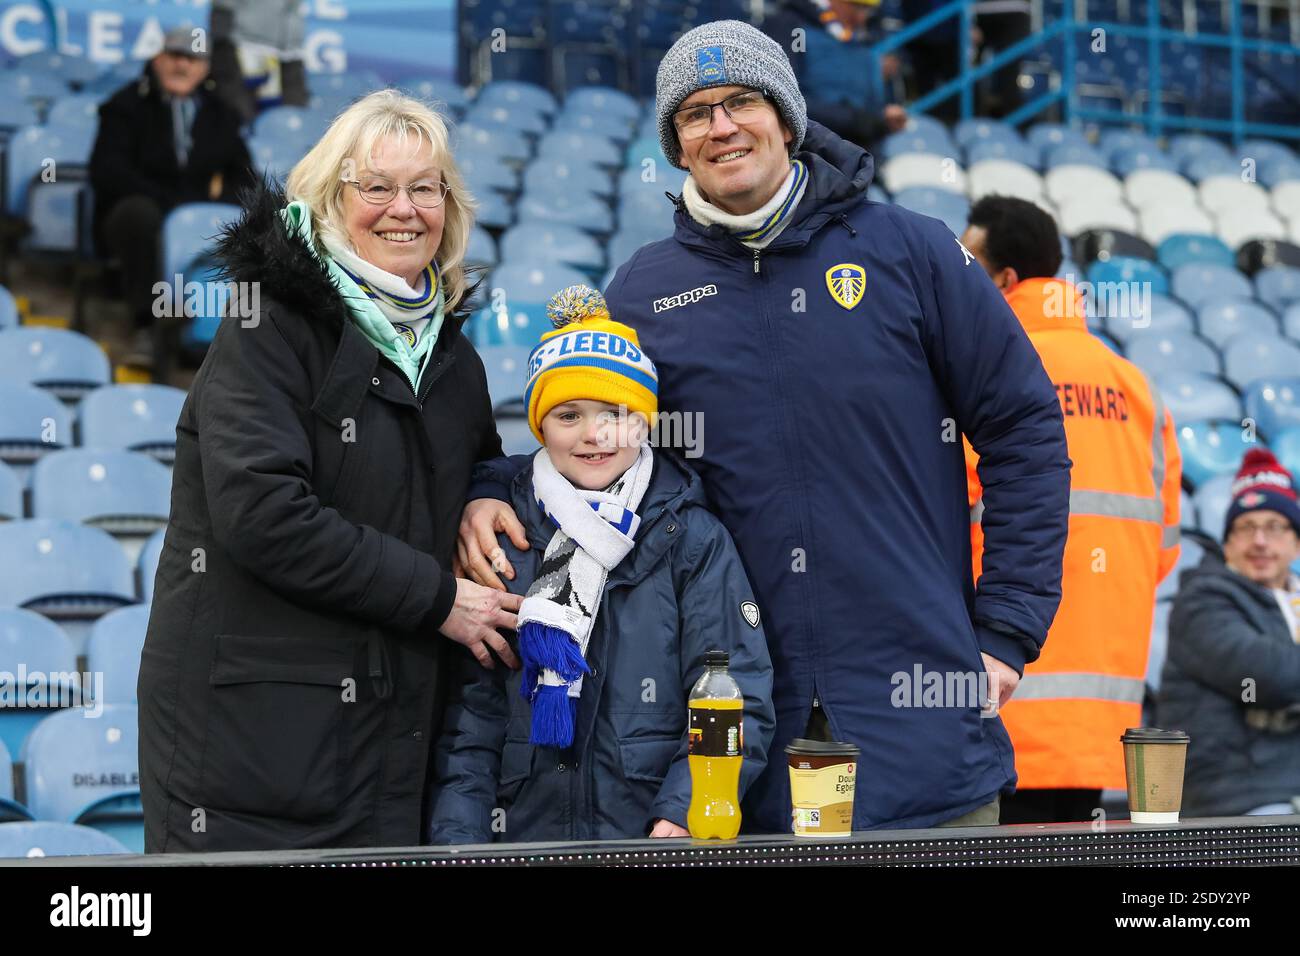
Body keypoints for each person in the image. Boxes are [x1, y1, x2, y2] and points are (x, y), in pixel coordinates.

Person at [459, 21, 1071, 833]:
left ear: (786, 117)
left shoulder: (910, 253)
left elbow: (1026, 428)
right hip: (737, 757)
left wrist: (1005, 627)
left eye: (742, 102)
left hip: (923, 734)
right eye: (695, 113)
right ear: (676, 146)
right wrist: (489, 491)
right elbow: (590, 448)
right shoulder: (644, 292)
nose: (721, 126)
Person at [137, 90, 522, 852]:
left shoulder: (453, 358)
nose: (403, 209)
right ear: (330, 198)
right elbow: (266, 515)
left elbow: (470, 469)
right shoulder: (267, 327)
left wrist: (483, 497)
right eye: (375, 186)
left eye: (425, 187)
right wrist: (439, 597)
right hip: (252, 756)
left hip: (388, 746)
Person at [429, 286, 775, 843]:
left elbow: (736, 695)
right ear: (540, 427)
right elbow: (471, 722)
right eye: (568, 415)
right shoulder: (505, 536)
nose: (594, 435)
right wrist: (458, 842)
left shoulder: (692, 539)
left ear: (644, 423)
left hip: (652, 833)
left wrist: (685, 809)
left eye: (615, 414)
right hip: (524, 836)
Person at [960, 196, 1183, 824]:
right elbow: (1164, 552)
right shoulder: (1137, 387)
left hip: (993, 701)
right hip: (1099, 723)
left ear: (1003, 280)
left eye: (968, 263)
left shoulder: (979, 376)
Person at [89, 24, 255, 367]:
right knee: (139, 215)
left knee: (253, 219)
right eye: (175, 56)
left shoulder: (221, 112)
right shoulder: (124, 105)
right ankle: (148, 326)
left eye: (192, 59)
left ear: (205, 68)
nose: (183, 65)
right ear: (158, 59)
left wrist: (213, 206)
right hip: (144, 209)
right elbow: (107, 171)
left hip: (196, 209)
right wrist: (172, 207)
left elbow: (244, 174)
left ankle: (233, 334)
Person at [1158, 449, 1300, 818]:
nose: (1260, 542)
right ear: (1228, 544)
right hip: (1237, 792)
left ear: (1295, 542)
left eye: (1274, 527)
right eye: (1246, 528)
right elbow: (1271, 675)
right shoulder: (1202, 600)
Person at [762, 0, 907, 150]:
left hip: (858, 153)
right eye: (857, 7)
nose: (861, 18)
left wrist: (882, 117)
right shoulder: (796, 29)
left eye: (868, 10)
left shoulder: (864, 37)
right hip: (810, 151)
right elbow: (785, 96)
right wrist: (858, 121)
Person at [209, 0, 309, 124]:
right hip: (245, 46)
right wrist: (222, 45)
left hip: (290, 53)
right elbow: (222, 8)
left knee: (291, 121)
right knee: (241, 120)